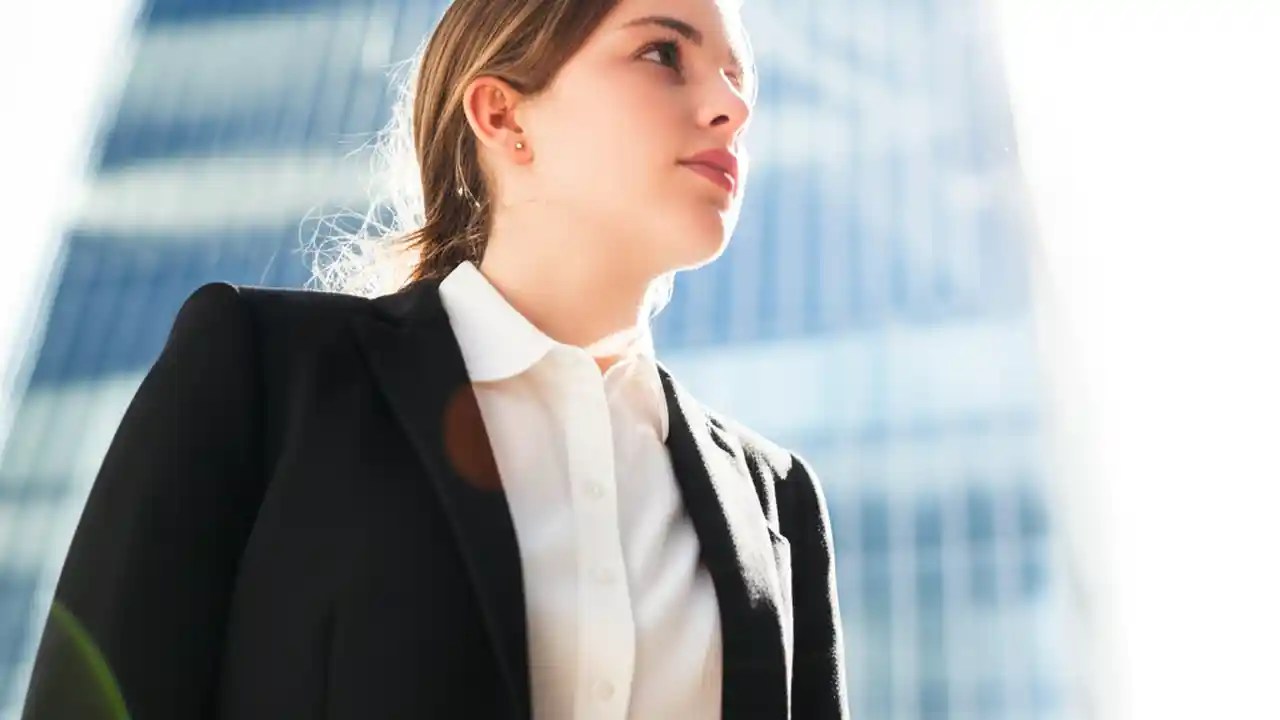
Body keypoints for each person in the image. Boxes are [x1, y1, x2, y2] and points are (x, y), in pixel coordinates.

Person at [20, 0, 848, 717]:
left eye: (743, 79)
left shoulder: (775, 501)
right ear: (503, 115)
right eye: (663, 53)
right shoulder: (263, 374)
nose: (731, 108)